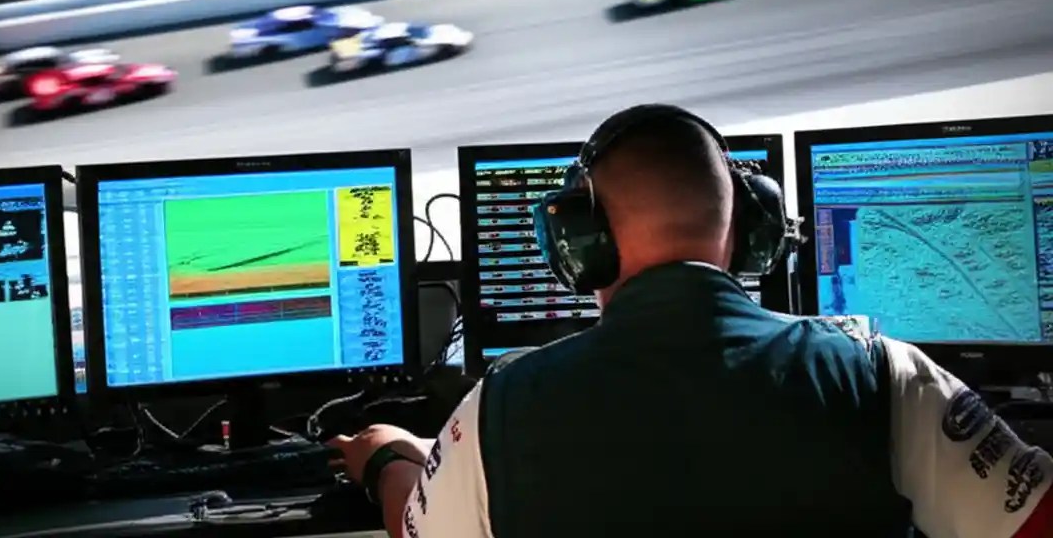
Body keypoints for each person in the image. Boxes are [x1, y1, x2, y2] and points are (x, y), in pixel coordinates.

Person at [329, 104, 1053, 538]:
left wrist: (388, 456)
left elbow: (418, 524)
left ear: (579, 244)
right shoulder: (880, 374)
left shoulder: (502, 408)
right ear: (752, 235)